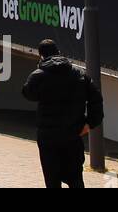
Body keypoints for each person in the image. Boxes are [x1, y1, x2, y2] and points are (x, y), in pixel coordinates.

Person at [21, 38, 105, 189]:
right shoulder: (79, 74)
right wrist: (90, 123)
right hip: (73, 133)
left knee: (52, 178)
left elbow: (28, 94)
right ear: (59, 53)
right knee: (75, 178)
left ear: (41, 55)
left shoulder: (38, 75)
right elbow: (96, 100)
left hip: (48, 136)